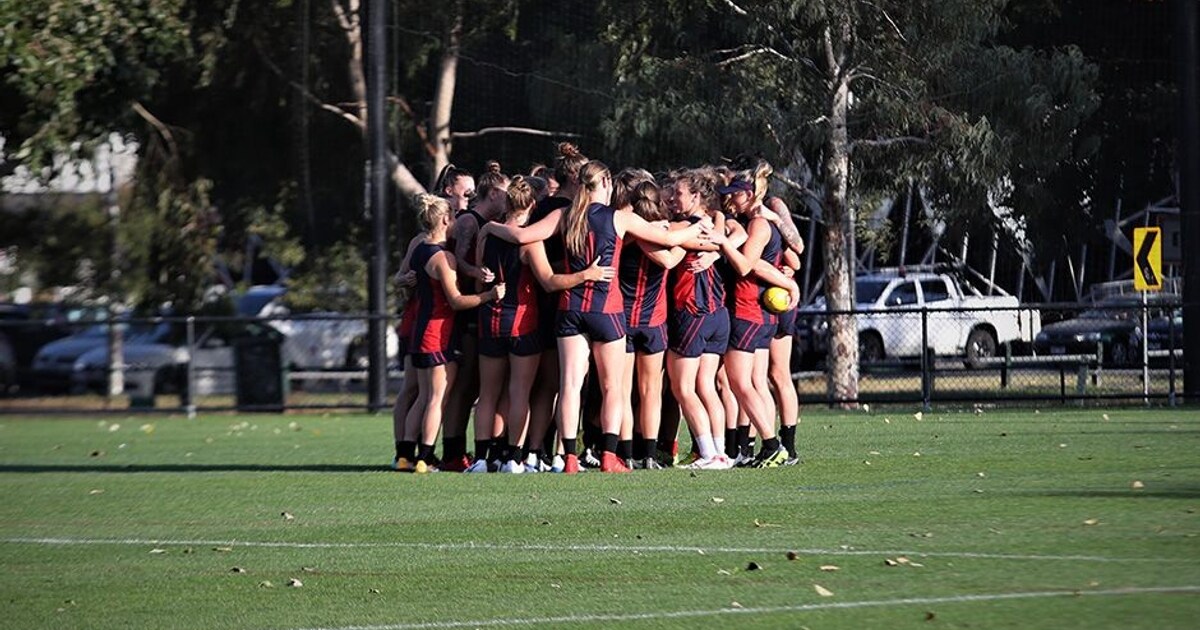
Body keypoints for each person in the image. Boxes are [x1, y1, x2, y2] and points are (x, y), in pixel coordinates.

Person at [556, 160, 710, 473]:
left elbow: (525, 237)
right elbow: (668, 254)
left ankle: (597, 454)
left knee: (598, 387)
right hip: (642, 320)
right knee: (646, 390)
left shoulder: (604, 223)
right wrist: (706, 236)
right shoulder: (637, 226)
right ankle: (640, 455)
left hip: (603, 313)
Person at [400, 194, 504, 474]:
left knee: (423, 397)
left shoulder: (421, 249)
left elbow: (405, 278)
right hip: (438, 333)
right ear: (445, 220)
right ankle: (425, 458)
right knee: (437, 398)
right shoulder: (442, 257)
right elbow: (457, 301)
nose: (457, 220)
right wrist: (489, 296)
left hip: (422, 330)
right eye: (454, 216)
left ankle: (405, 456)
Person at [718, 174, 800, 468]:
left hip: (746, 308)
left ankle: (773, 445)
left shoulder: (758, 224)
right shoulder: (760, 223)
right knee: (754, 383)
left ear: (751, 194)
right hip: (756, 311)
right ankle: (769, 448)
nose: (730, 200)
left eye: (735, 194)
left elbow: (744, 266)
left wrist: (722, 243)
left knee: (741, 383)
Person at [471, 177, 546, 474]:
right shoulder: (530, 240)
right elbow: (547, 281)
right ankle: (514, 459)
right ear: (531, 204)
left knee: (487, 393)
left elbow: (480, 279)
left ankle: (481, 459)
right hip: (522, 323)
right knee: (519, 393)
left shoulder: (486, 235)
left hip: (490, 320)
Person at [616, 175, 686, 469]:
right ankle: (648, 454)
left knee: (621, 391)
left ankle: (626, 454)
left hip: (622, 320)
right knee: (650, 391)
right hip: (654, 321)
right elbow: (672, 258)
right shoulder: (670, 232)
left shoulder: (623, 234)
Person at [441, 166, 506, 471]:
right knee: (463, 386)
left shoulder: (492, 223)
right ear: (493, 193)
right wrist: (476, 272)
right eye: (505, 192)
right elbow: (458, 261)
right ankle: (452, 451)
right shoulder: (470, 221)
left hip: (481, 310)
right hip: (466, 312)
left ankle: (463, 450)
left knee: (475, 386)